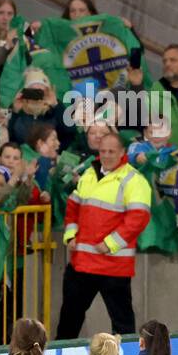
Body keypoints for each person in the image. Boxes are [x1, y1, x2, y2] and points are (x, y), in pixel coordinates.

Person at [56, 130, 152, 339]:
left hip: (113, 266)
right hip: (82, 263)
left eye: (111, 151)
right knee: (68, 319)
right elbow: (73, 207)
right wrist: (70, 236)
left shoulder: (134, 180)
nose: (107, 155)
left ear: (122, 152)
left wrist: (110, 243)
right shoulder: (89, 174)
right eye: (103, 151)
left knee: (122, 324)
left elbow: (139, 218)